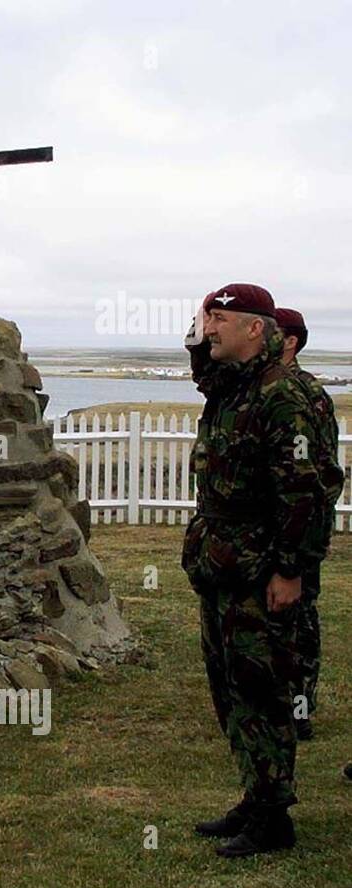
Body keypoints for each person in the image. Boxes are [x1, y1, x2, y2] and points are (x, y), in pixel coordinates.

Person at [181, 284, 329, 857]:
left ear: (255, 329)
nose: (209, 328)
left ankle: (273, 816)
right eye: (206, 318)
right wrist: (201, 329)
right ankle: (255, 793)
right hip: (222, 563)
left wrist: (290, 569)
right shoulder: (234, 385)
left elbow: (304, 493)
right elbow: (204, 368)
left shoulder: (284, 395)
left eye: (220, 319)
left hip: (261, 564)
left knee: (262, 688)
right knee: (231, 688)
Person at [274, 308, 345, 739]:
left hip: (301, 531)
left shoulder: (307, 394)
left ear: (291, 342)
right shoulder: (259, 390)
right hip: (268, 534)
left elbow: (322, 473)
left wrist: (305, 533)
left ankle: (299, 708)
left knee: (298, 622)